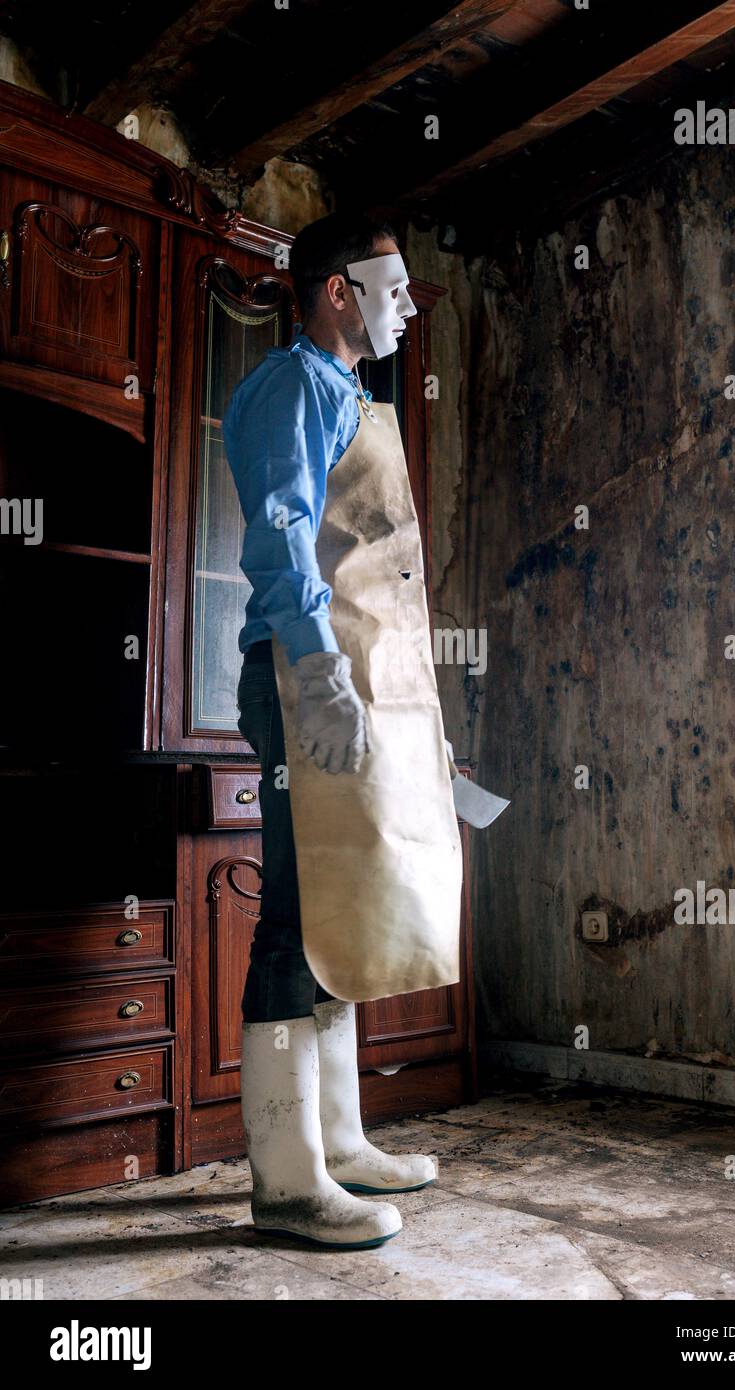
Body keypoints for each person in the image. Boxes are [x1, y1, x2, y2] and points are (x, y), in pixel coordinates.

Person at [224, 214, 447, 1250]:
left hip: (353, 683)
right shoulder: (291, 387)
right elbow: (278, 528)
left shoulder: (350, 396)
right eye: (390, 288)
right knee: (292, 914)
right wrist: (315, 670)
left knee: (339, 905)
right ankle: (284, 1179)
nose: (405, 305)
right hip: (297, 677)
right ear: (336, 293)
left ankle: (341, 1142)